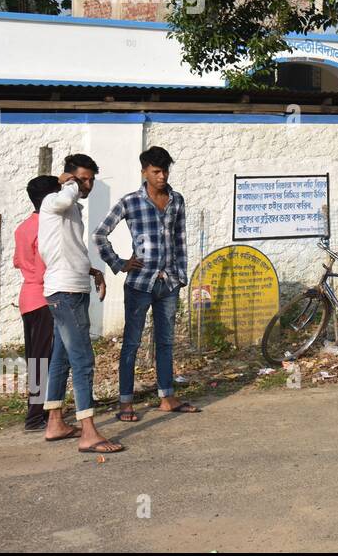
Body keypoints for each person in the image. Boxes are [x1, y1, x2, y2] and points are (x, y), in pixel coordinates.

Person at [94, 146, 199, 422]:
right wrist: (119, 263)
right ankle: (125, 402)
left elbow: (180, 240)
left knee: (165, 342)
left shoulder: (176, 200)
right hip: (140, 283)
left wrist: (180, 275)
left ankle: (167, 396)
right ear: (144, 172)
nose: (162, 176)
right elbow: (100, 234)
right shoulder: (130, 202)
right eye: (156, 171)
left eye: (165, 171)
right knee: (132, 343)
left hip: (169, 283)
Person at [39, 153, 123, 454]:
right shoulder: (55, 201)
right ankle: (88, 432)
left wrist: (93, 271)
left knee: (61, 358)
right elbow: (62, 199)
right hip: (65, 293)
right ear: (69, 178)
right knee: (83, 359)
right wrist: (69, 183)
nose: (87, 185)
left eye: (90, 180)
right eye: (82, 178)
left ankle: (55, 423)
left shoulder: (70, 208)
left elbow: (68, 251)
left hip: (71, 288)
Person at [13, 175, 60, 431]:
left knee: (36, 359)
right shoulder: (46, 226)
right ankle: (35, 417)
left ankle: (38, 412)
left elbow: (17, 261)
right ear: (50, 198)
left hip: (26, 297)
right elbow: (46, 265)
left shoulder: (22, 227)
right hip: (43, 298)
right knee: (45, 359)